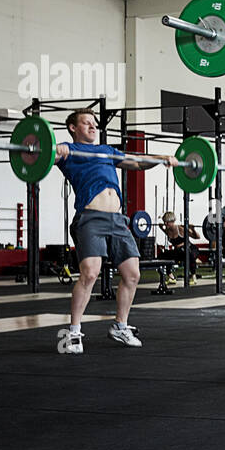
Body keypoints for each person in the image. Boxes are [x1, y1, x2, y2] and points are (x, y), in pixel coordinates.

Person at [54, 110, 176, 353]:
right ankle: (73, 332)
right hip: (90, 218)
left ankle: (121, 326)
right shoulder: (68, 150)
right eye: (86, 123)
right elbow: (39, 156)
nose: (92, 127)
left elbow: (135, 162)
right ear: (72, 127)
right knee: (90, 273)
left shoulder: (108, 151)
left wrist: (160, 158)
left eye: (94, 124)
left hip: (118, 220)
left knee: (132, 274)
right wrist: (55, 150)